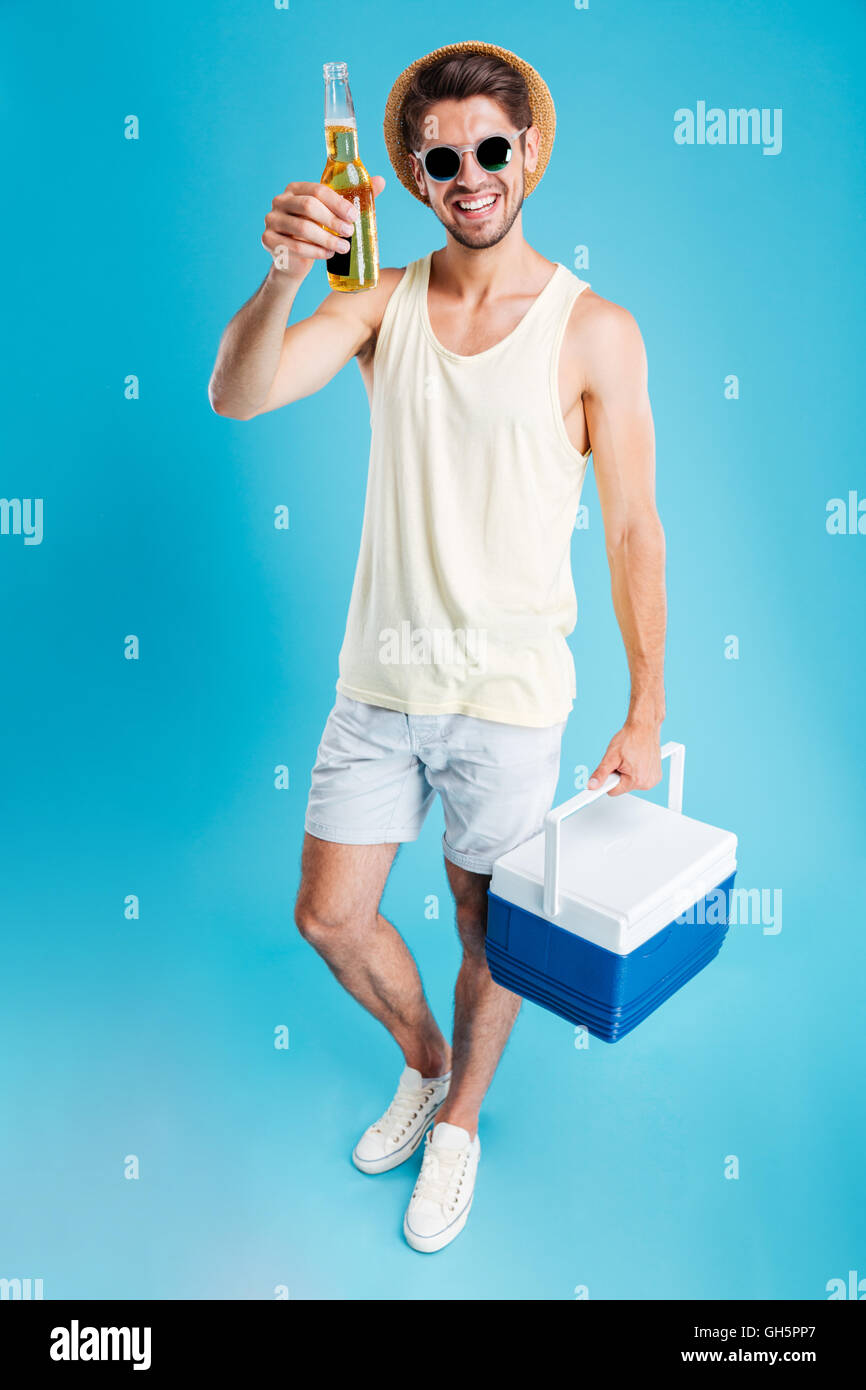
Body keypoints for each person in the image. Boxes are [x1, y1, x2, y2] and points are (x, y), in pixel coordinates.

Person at [208, 41, 666, 1254]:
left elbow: (630, 528)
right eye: (442, 156)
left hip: (509, 702)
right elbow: (238, 394)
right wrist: (284, 276)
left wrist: (645, 709)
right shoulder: (375, 301)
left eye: (490, 149)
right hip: (379, 685)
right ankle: (423, 1064)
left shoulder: (592, 330)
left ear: (526, 155)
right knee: (330, 916)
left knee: (487, 933)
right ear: (412, 174)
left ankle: (459, 1117)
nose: (470, 174)